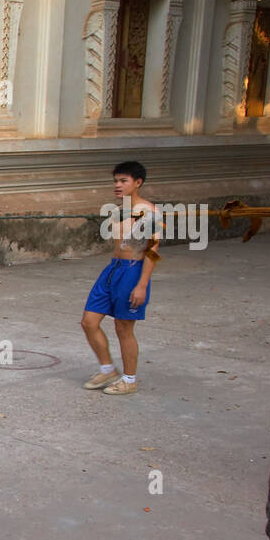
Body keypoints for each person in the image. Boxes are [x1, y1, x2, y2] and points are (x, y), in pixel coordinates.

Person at [81, 160, 161, 395]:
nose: (117, 185)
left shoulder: (149, 212)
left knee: (123, 327)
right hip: (113, 269)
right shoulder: (118, 211)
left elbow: (152, 250)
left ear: (138, 183)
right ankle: (108, 370)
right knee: (89, 322)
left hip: (133, 270)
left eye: (123, 181)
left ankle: (129, 379)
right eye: (115, 180)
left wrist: (142, 285)